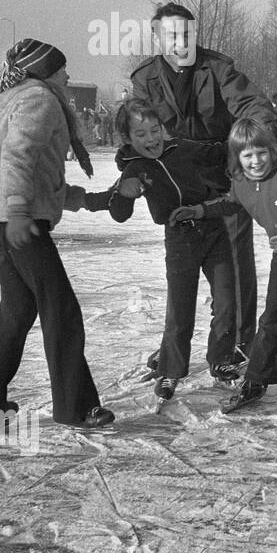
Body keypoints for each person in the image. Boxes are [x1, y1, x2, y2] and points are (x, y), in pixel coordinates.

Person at [0, 39, 113, 431]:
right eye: (60, 68)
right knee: (60, 308)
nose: (66, 74)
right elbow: (18, 156)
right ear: (43, 71)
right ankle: (76, 407)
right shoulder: (39, 100)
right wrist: (17, 213)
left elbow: (41, 178)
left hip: (3, 219)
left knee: (17, 313)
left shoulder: (20, 100)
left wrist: (91, 201)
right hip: (18, 220)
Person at [130, 2, 277, 369]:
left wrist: (255, 138)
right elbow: (137, 128)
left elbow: (253, 105)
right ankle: (174, 348)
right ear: (157, 36)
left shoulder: (218, 68)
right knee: (181, 269)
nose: (181, 44)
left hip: (222, 175)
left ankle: (240, 342)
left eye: (187, 35)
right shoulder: (144, 79)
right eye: (172, 36)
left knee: (232, 266)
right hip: (177, 182)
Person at [86, 100, 241, 406]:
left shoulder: (180, 147)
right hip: (181, 240)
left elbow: (216, 152)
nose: (151, 138)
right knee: (180, 309)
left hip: (213, 229)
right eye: (141, 133)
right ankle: (170, 369)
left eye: (155, 130)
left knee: (226, 299)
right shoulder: (135, 168)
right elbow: (119, 213)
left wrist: (242, 141)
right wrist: (124, 195)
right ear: (128, 139)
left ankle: (221, 358)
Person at [177, 119, 277, 416]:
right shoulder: (240, 183)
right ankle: (256, 380)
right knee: (272, 316)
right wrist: (200, 210)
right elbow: (228, 203)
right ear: (237, 158)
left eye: (261, 153)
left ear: (270, 151)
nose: (256, 161)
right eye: (247, 155)